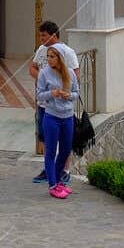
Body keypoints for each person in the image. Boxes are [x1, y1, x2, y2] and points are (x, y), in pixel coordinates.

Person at [29, 22, 80, 183]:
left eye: (44, 35)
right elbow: (33, 68)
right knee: (45, 139)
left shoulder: (68, 52)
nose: (41, 38)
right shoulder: (41, 50)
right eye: (40, 35)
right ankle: (49, 169)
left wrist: (64, 89)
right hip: (46, 105)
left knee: (65, 141)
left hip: (63, 107)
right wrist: (44, 78)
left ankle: (64, 170)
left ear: (54, 35)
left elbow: (75, 76)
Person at [36, 46, 77, 199]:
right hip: (51, 116)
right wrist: (52, 93)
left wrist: (68, 95)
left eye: (52, 56)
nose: (49, 59)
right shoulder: (44, 73)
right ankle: (52, 184)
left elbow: (76, 93)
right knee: (51, 151)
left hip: (67, 116)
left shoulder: (70, 73)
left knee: (66, 150)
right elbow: (39, 95)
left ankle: (59, 180)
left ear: (60, 57)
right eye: (48, 56)